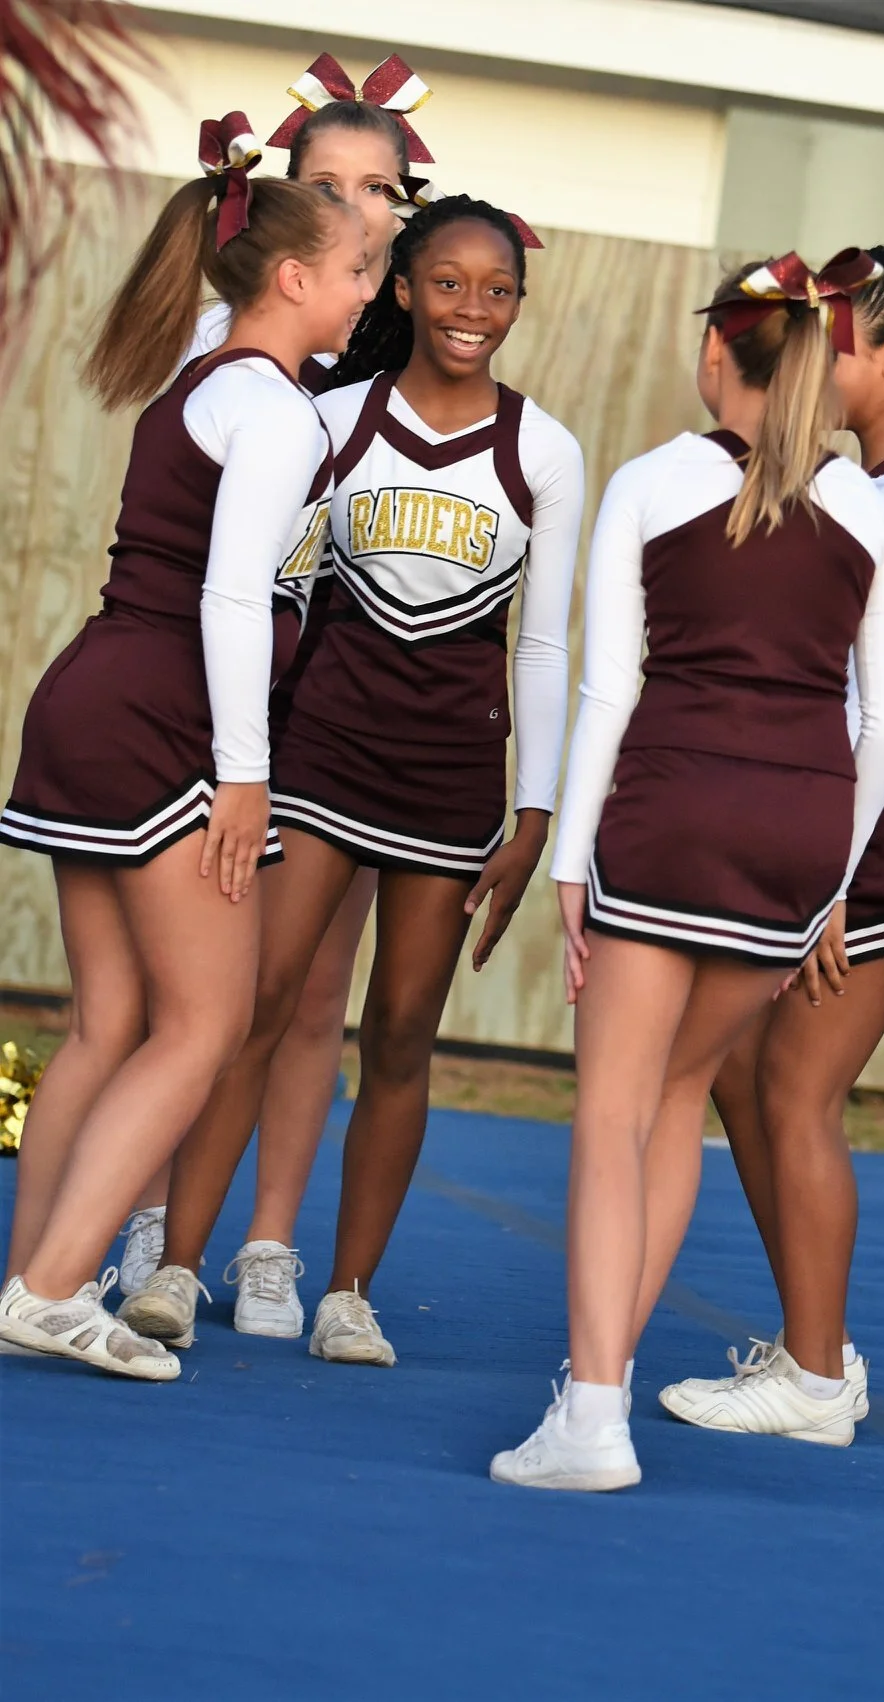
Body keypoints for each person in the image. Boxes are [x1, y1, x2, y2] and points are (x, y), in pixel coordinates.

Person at [120, 195, 583, 1366]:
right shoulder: (327, 417)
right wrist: (245, 758)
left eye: (498, 289)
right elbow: (267, 590)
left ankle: (350, 1292)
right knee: (260, 1007)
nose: (473, 308)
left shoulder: (545, 449)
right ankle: (178, 1260)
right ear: (400, 290)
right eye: (447, 283)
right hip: (320, 750)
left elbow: (540, 643)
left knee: (401, 1030)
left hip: (450, 774)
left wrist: (534, 814)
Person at [490, 250, 884, 1491]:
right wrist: (833, 873)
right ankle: (598, 1385)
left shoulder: (651, 480)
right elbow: (882, 722)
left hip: (670, 810)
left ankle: (592, 1417)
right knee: (680, 1099)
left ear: (713, 355)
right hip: (792, 836)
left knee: (616, 1114)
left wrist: (571, 857)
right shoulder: (867, 511)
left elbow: (605, 684)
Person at [0, 116, 371, 1378]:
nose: (369, 291)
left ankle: (29, 1277)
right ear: (293, 279)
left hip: (93, 698)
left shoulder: (201, 383)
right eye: (361, 270)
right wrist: (246, 775)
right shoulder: (274, 411)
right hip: (164, 717)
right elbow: (229, 599)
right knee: (203, 1024)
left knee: (110, 1021)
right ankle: (54, 1285)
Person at [655, 244, 884, 1441]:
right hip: (847, 812)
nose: (815, 356)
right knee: (734, 1069)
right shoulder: (877, 481)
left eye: (840, 336)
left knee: (794, 1088)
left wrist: (828, 880)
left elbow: (880, 702)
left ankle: (815, 1379)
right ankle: (811, 1344)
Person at [118, 55, 431, 1335]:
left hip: (338, 684)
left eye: (381, 189)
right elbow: (190, 545)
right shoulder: (231, 349)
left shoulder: (405, 347)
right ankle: (145, 1218)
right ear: (283, 211)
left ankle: (267, 1242)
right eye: (329, 185)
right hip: (223, 681)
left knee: (308, 989)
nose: (358, 209)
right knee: (186, 984)